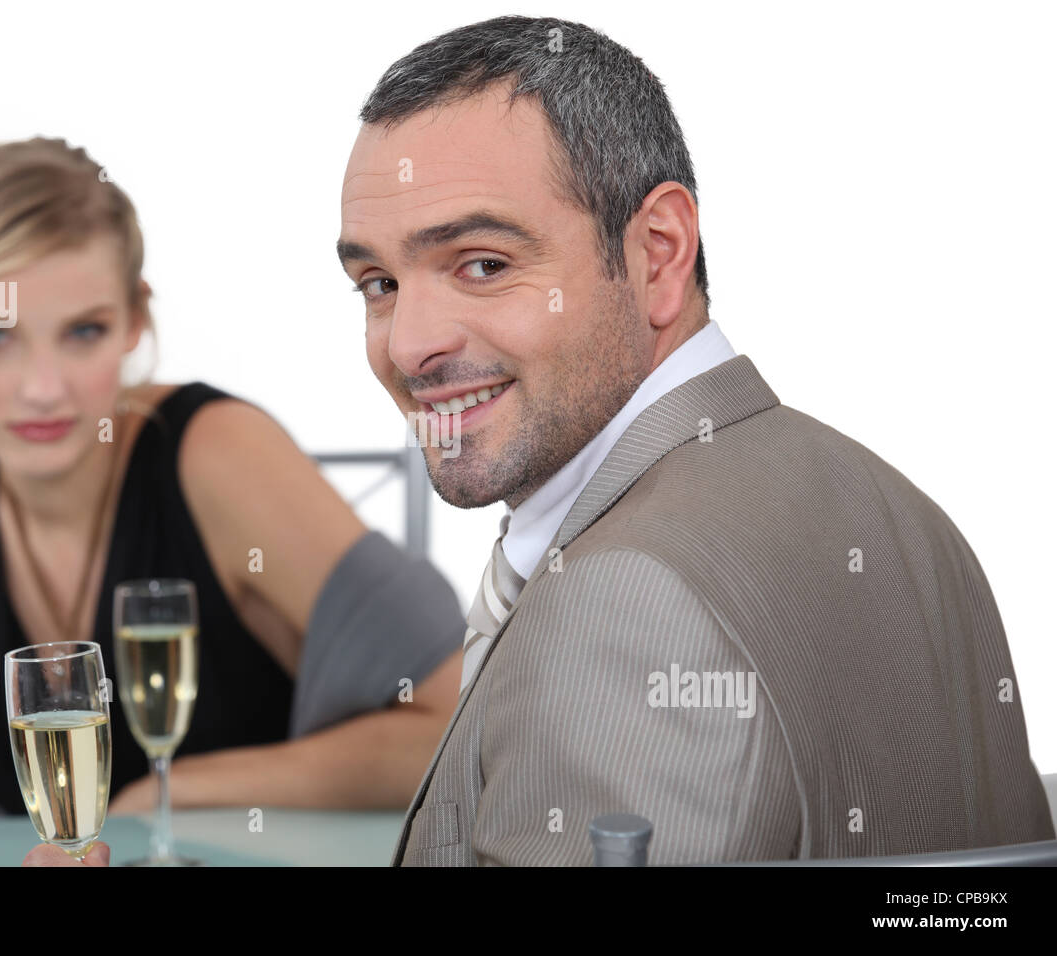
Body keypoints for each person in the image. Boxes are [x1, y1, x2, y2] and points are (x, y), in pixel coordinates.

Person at [332, 15, 1051, 865]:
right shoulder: (903, 514)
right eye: (377, 281)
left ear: (659, 255)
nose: (408, 343)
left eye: (482, 263)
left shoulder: (621, 602)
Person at [0, 137, 464, 828]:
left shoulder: (214, 453)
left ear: (135, 320)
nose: (42, 389)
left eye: (83, 331)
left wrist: (170, 792)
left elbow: (453, 721)